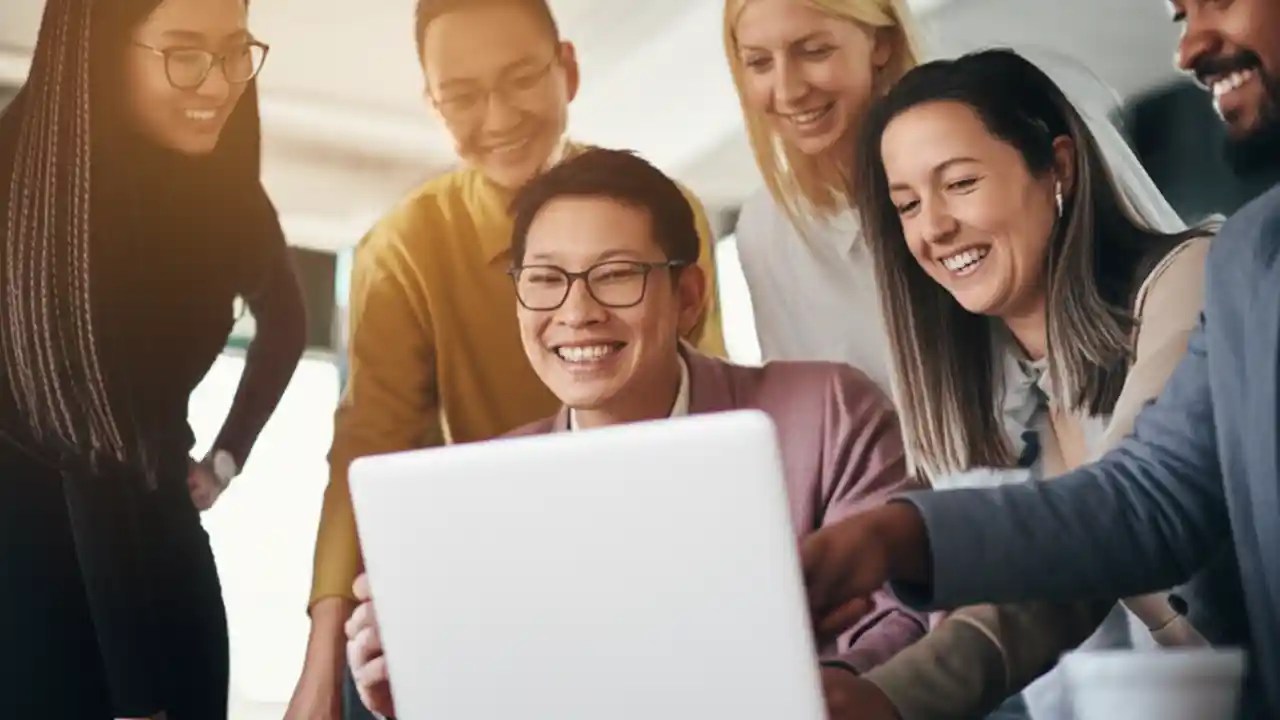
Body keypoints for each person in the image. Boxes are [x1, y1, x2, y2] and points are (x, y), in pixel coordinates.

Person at [799, 2, 1280, 718]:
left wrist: (900, 535)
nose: (932, 226)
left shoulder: (1202, 273)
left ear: (1057, 169)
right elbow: (1071, 569)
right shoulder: (1016, 386)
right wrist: (884, 697)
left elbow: (1128, 517)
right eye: (905, 205)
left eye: (960, 183)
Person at [341, 148, 926, 720]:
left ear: (689, 297)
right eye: (545, 279)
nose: (577, 312)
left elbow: (901, 621)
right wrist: (420, 693)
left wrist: (814, 692)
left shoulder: (828, 412)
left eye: (616, 275)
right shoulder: (478, 489)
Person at [288, 2, 728, 718]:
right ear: (432, 105)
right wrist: (318, 663)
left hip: (650, 562)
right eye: (461, 95)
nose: (496, 116)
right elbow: (366, 451)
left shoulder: (664, 210)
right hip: (488, 583)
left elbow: (709, 402)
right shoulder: (405, 246)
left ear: (569, 70)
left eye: (521, 78)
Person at [0, 0, 306, 717]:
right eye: (183, 52)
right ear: (104, 49)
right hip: (30, 559)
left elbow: (288, 323)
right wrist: (136, 700)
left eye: (236, 50)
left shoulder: (226, 196)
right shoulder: (16, 181)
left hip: (156, 526)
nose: (219, 83)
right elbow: (81, 452)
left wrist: (227, 456)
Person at [724, 0, 921, 388]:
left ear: (880, 44)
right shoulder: (766, 225)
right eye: (760, 63)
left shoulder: (957, 179)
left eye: (815, 52)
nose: (788, 91)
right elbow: (809, 413)